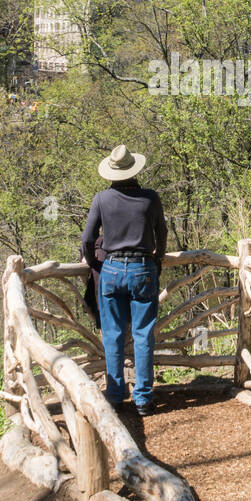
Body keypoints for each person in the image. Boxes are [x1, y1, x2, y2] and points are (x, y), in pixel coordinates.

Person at [81, 144, 167, 416]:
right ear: (134, 170)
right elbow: (162, 233)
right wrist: (158, 260)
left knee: (113, 336)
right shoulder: (150, 198)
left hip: (112, 270)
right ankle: (143, 398)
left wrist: (94, 262)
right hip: (143, 269)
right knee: (143, 336)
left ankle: (116, 395)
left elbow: (87, 238)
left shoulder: (101, 199)